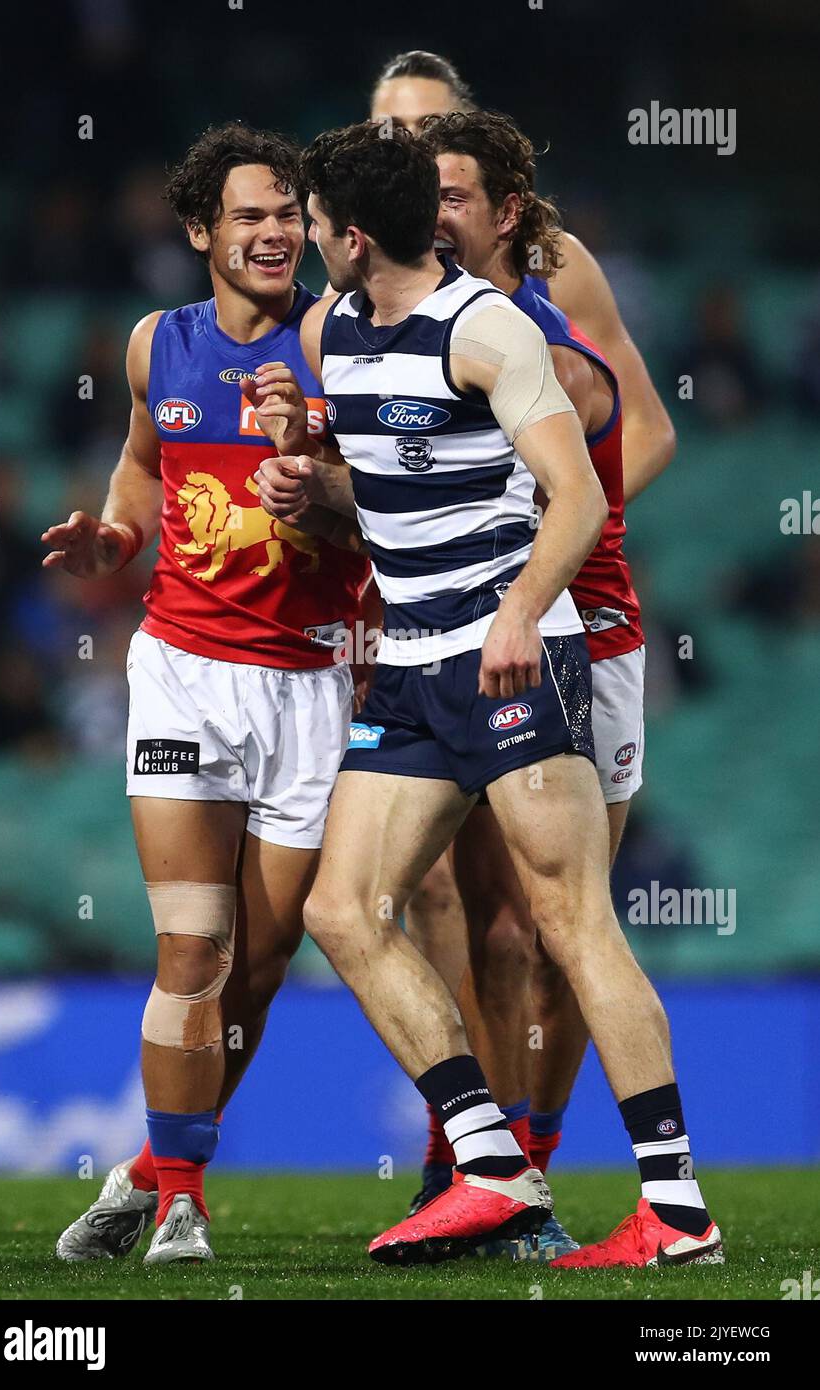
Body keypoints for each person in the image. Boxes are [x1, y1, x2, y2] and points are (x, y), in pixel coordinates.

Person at [260, 120, 721, 1269]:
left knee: (568, 921)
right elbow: (388, 503)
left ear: (353, 235)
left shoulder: (486, 327)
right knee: (338, 911)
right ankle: (492, 1166)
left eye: (314, 226)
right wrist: (305, 480)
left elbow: (572, 500)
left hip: (511, 651)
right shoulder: (339, 334)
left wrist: (519, 613)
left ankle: (674, 1211)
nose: (306, 244)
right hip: (414, 663)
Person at [44, 123, 367, 1265]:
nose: (275, 232)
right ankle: (184, 1196)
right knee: (194, 948)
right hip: (181, 671)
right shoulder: (153, 345)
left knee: (264, 964)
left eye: (288, 213)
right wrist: (117, 532)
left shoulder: (344, 341)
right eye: (249, 215)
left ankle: (146, 1168)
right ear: (200, 232)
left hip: (313, 683)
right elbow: (144, 459)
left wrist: (317, 468)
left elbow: (393, 512)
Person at [369, 51, 677, 1234]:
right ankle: (470, 1153)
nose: (408, 149)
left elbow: (639, 429)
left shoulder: (546, 273)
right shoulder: (366, 266)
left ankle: (527, 1166)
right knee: (420, 897)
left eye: (429, 129)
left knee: (540, 924)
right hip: (423, 623)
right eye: (388, 127)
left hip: (564, 617)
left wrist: (553, 533)